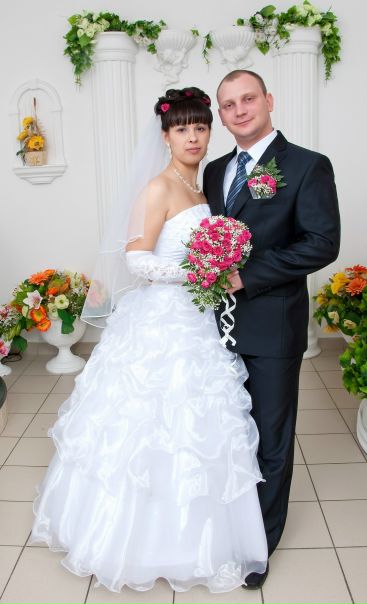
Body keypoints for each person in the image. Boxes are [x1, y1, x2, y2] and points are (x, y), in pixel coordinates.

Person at [30, 87, 268, 593]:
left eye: (200, 127)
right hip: (162, 320)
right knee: (150, 425)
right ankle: (135, 541)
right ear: (165, 136)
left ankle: (197, 538)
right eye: (182, 128)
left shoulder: (204, 188)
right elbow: (136, 258)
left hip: (200, 321)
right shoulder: (159, 187)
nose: (193, 137)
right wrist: (198, 272)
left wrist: (212, 269)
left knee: (199, 427)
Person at [203, 70, 340, 589]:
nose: (239, 110)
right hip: (213, 327)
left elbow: (322, 242)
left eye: (248, 99)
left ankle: (258, 547)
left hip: (273, 326)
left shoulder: (306, 165)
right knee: (226, 432)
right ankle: (225, 526)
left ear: (268, 101)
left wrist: (249, 275)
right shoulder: (215, 171)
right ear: (221, 115)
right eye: (228, 104)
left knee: (270, 439)